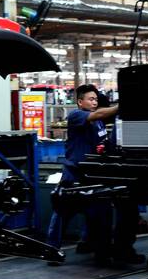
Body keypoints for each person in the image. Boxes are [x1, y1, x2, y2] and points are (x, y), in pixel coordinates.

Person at [47, 84, 119, 260]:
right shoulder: (76, 115)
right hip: (74, 174)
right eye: (90, 99)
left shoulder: (99, 122)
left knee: (99, 211)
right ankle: (50, 250)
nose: (94, 102)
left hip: (92, 173)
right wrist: (121, 106)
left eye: (96, 99)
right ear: (80, 102)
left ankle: (92, 246)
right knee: (63, 212)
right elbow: (99, 113)